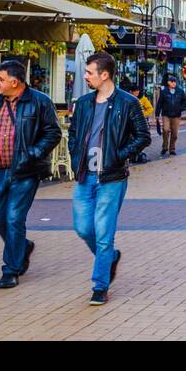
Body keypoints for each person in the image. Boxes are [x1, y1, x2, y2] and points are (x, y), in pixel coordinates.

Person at [69, 52, 150, 306]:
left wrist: (118, 155)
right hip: (85, 175)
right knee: (83, 228)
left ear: (104, 75)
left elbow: (143, 136)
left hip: (111, 178)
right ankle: (110, 257)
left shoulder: (128, 102)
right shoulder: (84, 103)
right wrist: (74, 156)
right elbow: (74, 134)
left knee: (104, 234)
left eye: (89, 72)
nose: (85, 76)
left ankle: (100, 286)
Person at [0, 59, 61, 289]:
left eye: (1, 79)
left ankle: (11, 269)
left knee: (14, 218)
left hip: (25, 170)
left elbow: (53, 133)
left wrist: (33, 153)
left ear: (15, 82)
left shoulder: (40, 101)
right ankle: (22, 247)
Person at [155, 74, 185, 157]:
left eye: (175, 81)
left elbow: (185, 101)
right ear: (168, 82)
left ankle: (172, 149)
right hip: (166, 115)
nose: (174, 83)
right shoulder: (164, 92)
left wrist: (180, 108)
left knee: (174, 134)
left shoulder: (180, 91)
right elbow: (159, 103)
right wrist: (157, 114)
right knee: (165, 130)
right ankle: (165, 147)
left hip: (176, 115)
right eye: (172, 81)